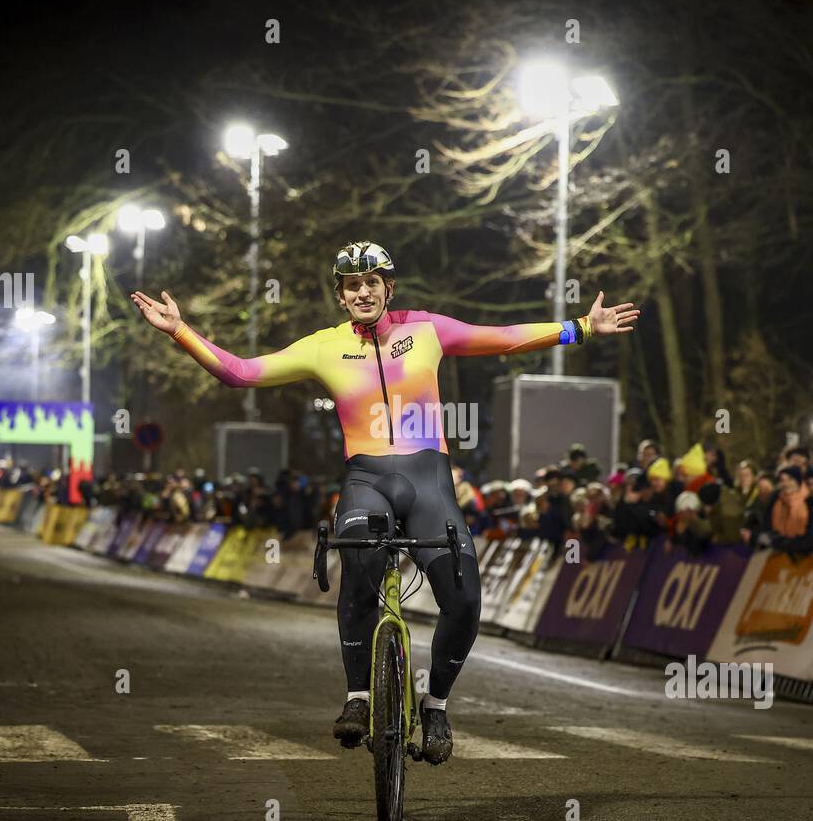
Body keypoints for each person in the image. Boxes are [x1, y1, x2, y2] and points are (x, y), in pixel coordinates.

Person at [133, 240, 637, 763]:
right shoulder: (323, 346)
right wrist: (181, 332)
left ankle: (436, 705)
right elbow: (242, 372)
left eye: (373, 282)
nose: (364, 291)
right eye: (353, 284)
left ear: (388, 288)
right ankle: (358, 697)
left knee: (464, 600)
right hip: (367, 480)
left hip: (428, 480)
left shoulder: (426, 329)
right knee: (359, 568)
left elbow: (505, 339)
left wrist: (578, 326)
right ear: (342, 295)